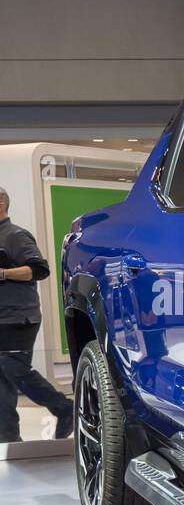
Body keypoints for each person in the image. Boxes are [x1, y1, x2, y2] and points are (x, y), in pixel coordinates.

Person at [0, 185, 73, 442]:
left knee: (13, 368)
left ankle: (64, 408)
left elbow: (39, 269)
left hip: (19, 318)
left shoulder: (15, 236)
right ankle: (8, 438)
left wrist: (4, 273)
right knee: (2, 380)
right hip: (3, 318)